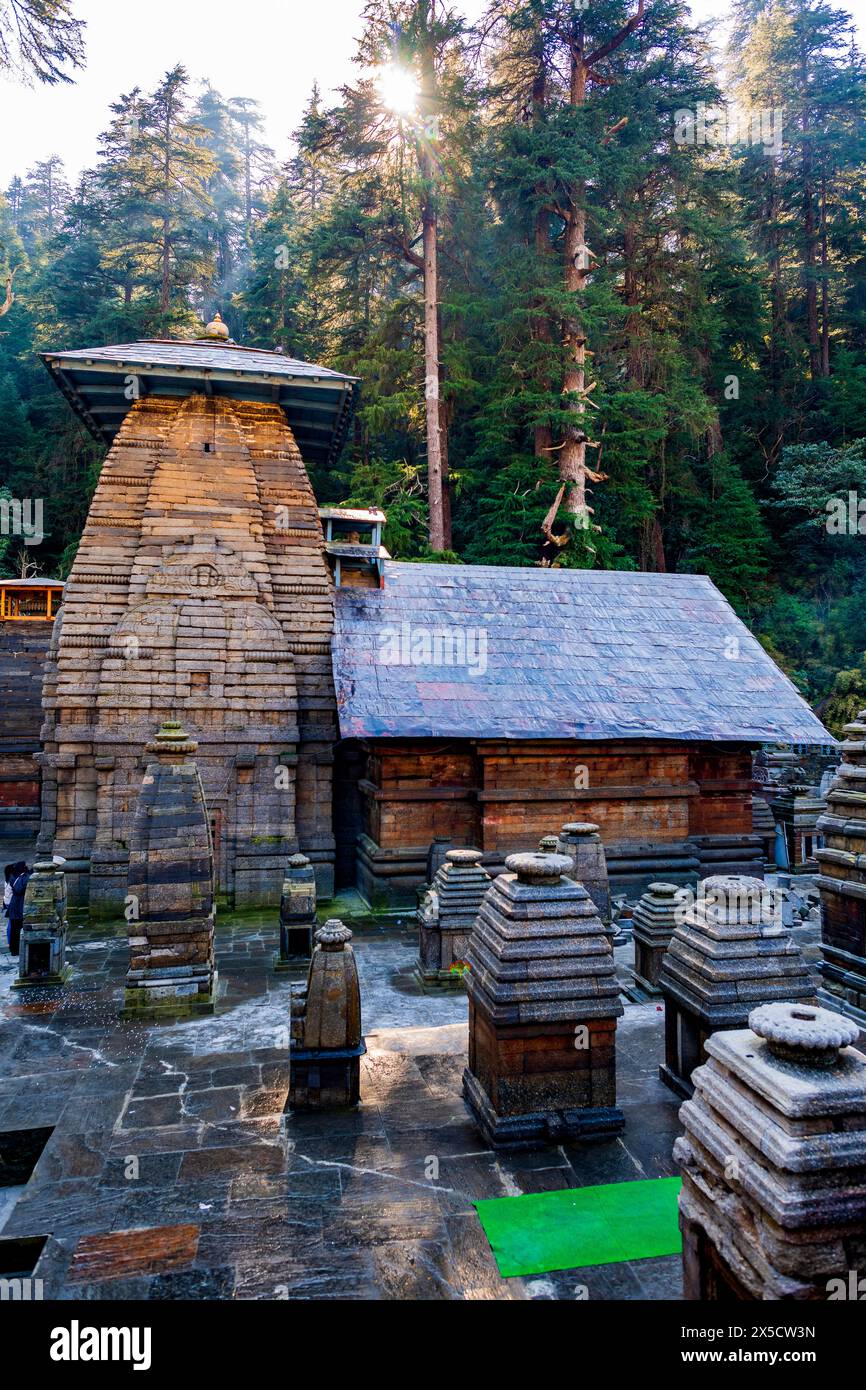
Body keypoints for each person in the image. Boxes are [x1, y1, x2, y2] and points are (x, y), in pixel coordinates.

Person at [5, 862, 30, 958]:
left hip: (15, 905)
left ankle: (14, 949)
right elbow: (19, 889)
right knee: (16, 929)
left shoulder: (13, 876)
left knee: (15, 929)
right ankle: (15, 949)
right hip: (19, 905)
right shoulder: (20, 877)